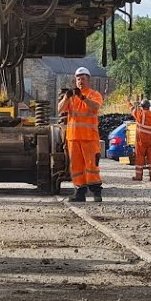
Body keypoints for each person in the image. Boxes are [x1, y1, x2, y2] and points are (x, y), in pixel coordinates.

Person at [58, 66, 104, 202]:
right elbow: (60, 110)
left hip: (89, 137)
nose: (80, 82)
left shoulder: (94, 94)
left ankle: (96, 192)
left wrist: (82, 97)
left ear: (88, 80)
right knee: (76, 167)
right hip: (73, 137)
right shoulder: (71, 97)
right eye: (78, 79)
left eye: (83, 79)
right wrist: (66, 98)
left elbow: (95, 107)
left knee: (92, 166)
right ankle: (79, 193)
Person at [126, 98, 151, 182]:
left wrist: (128, 103)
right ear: (149, 107)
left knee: (140, 157)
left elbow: (133, 110)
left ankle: (138, 176)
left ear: (142, 106)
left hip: (142, 140)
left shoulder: (141, 114)